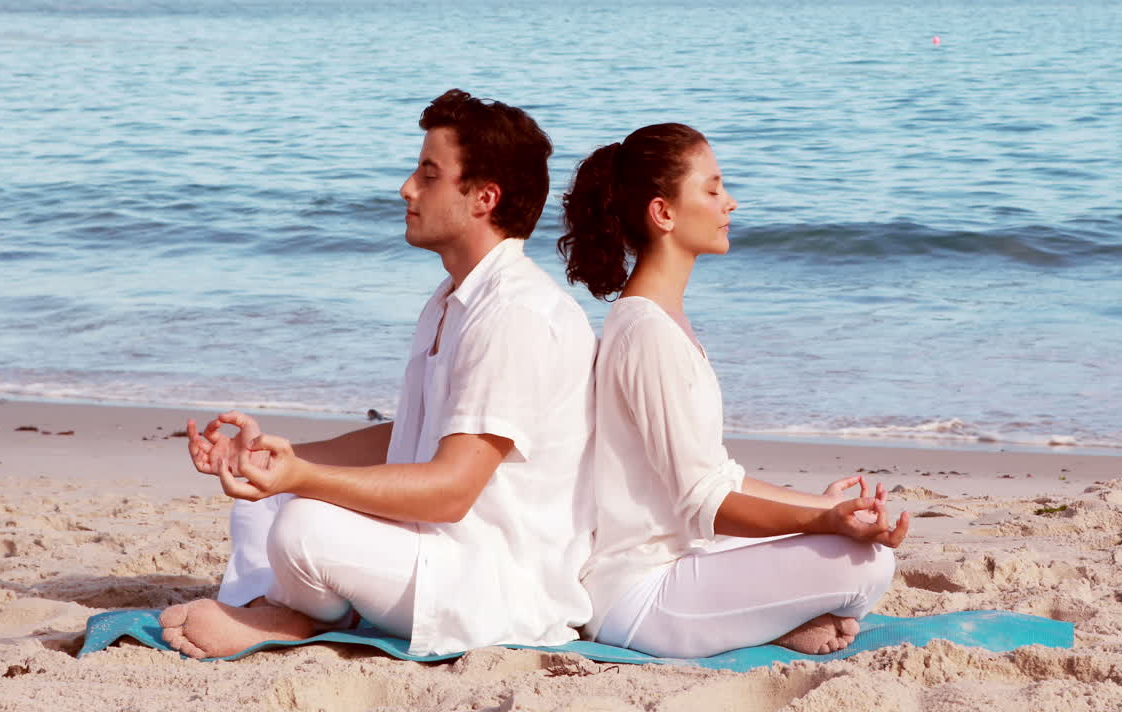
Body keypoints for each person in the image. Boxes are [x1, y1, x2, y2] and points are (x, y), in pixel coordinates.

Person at [160, 89, 597, 659]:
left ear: (483, 198)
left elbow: (450, 493)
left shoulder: (515, 313)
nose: (406, 188)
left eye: (428, 174)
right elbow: (408, 437)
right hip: (434, 548)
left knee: (304, 524)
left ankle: (293, 618)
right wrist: (274, 460)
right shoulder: (452, 299)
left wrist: (303, 480)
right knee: (258, 499)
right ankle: (276, 609)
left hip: (495, 583)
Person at [557, 123, 910, 658]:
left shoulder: (659, 319)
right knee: (867, 564)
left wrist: (823, 507)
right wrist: (819, 521)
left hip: (684, 558)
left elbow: (717, 476)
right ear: (664, 213)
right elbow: (707, 501)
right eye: (713, 189)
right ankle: (775, 624)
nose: (731, 203)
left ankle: (779, 621)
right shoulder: (648, 334)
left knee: (850, 540)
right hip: (637, 594)